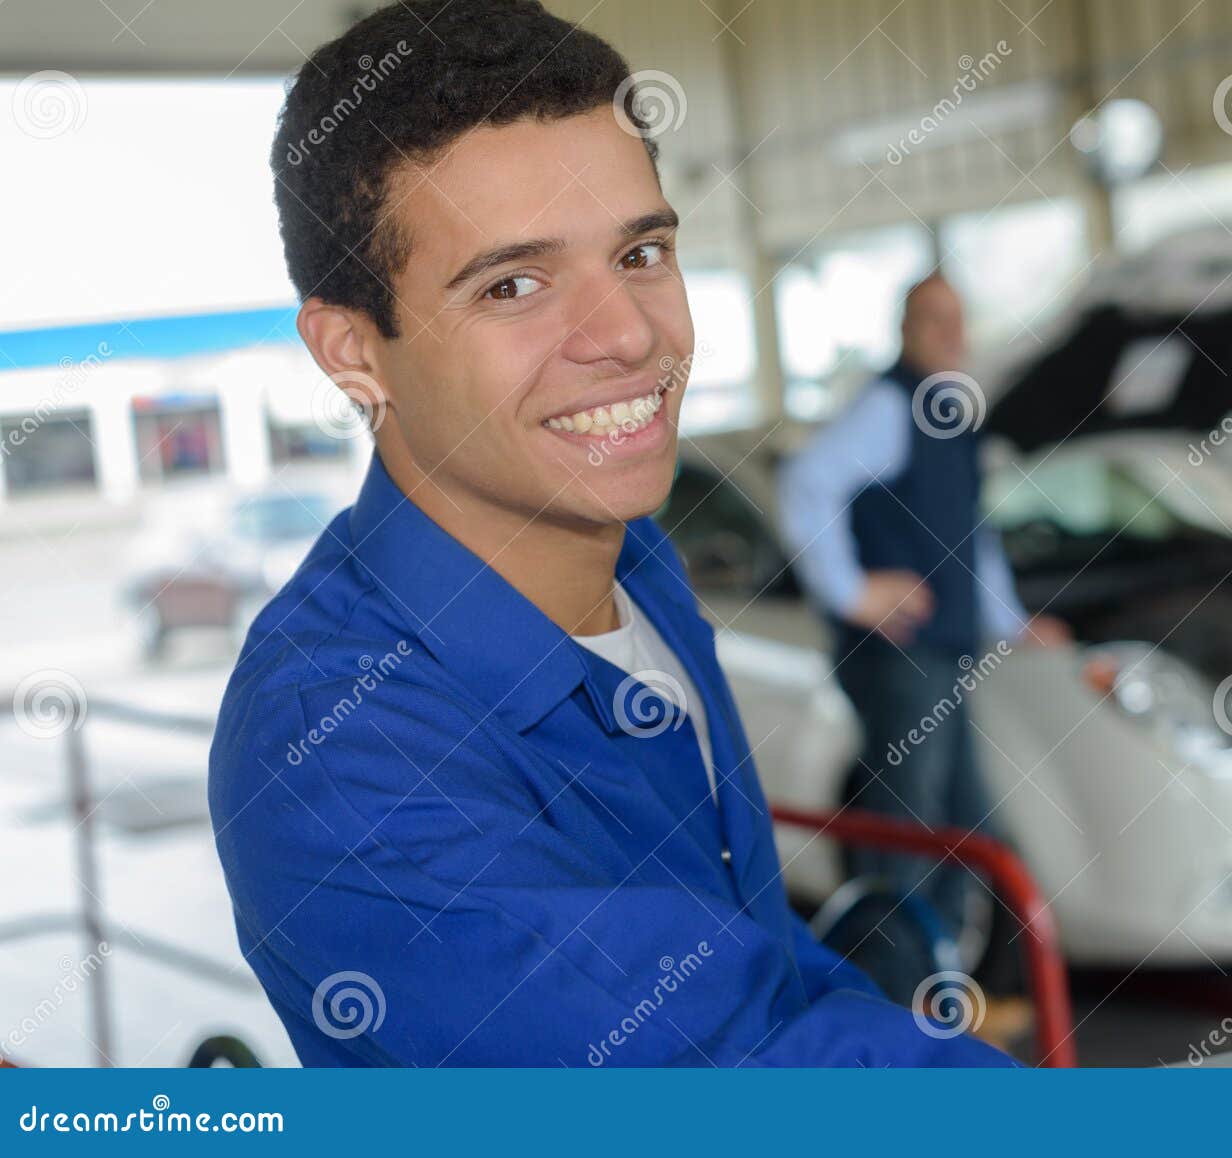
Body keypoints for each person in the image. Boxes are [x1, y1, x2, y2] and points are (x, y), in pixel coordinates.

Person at [208, 0, 1012, 1068]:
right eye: (515, 284)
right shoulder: (342, 753)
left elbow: (758, 966)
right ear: (353, 351)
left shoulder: (634, 559)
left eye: (640, 253)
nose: (631, 335)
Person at [775, 274, 1071, 938]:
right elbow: (804, 483)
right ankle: (894, 992)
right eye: (934, 318)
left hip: (945, 649)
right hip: (903, 655)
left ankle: (940, 985)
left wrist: (1012, 623)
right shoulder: (887, 405)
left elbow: (970, 534)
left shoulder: (949, 411)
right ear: (903, 327)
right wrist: (852, 592)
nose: (950, 334)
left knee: (963, 821)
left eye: (959, 319)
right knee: (907, 824)